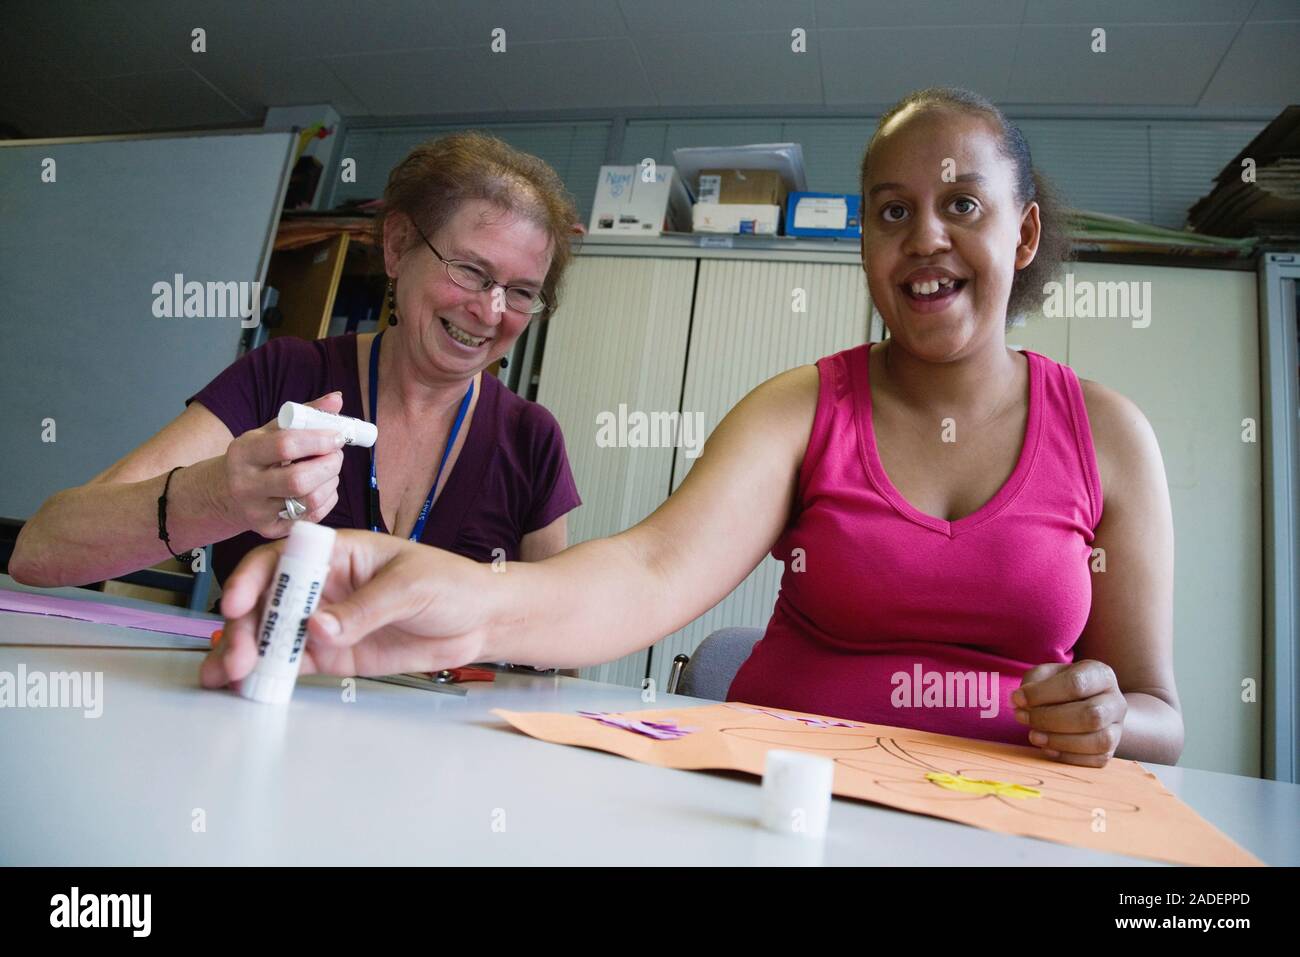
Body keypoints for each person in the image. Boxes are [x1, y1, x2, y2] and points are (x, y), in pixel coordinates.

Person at [203, 89, 1183, 768]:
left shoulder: (1109, 434)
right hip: (782, 798)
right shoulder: (799, 408)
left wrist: (1108, 718)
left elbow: (1159, 717)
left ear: (1020, 233)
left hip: (1008, 816)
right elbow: (647, 575)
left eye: (961, 204)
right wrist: (459, 598)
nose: (924, 236)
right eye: (891, 212)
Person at [11, 132, 582, 591]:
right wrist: (215, 497)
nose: (490, 310)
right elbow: (42, 551)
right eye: (472, 271)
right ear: (398, 246)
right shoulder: (285, 377)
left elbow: (553, 649)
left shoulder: (531, 440)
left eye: (522, 292)